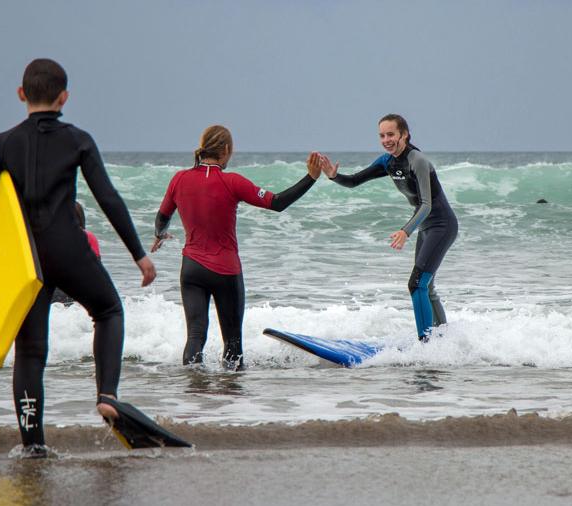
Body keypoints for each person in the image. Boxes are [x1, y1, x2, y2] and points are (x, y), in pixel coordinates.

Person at [0, 58, 156, 458]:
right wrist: (138, 255)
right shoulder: (78, 139)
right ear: (64, 98)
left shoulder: (3, 143)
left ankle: (33, 444)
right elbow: (108, 198)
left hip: (26, 261)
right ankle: (107, 394)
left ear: (21, 94)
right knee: (109, 310)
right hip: (68, 247)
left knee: (29, 352)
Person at [151, 125, 325, 369]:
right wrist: (311, 178)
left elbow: (162, 217)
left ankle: (192, 390)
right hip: (225, 271)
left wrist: (160, 235)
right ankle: (231, 400)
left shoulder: (179, 179)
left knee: (195, 337)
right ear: (225, 150)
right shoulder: (232, 181)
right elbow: (277, 203)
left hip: (191, 269)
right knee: (232, 344)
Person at [320, 114, 458, 342]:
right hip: (425, 227)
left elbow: (426, 205)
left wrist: (405, 231)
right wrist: (334, 176)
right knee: (427, 286)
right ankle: (444, 339)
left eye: (391, 134)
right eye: (382, 135)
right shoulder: (387, 162)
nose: (386, 139)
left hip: (442, 225)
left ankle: (426, 343)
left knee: (416, 284)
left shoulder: (417, 160)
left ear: (404, 134)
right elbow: (354, 181)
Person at [51, 202, 100, 304]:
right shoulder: (88, 236)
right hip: (81, 289)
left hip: (56, 290)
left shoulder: (51, 237)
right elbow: (97, 269)